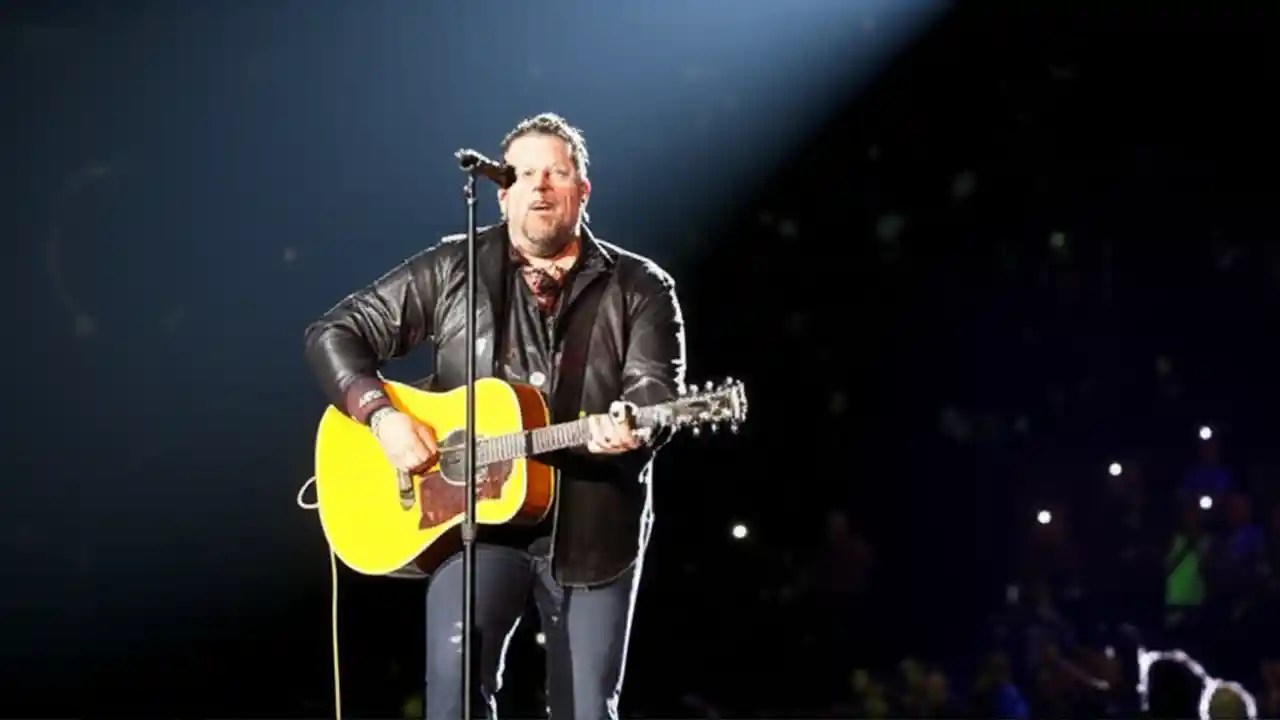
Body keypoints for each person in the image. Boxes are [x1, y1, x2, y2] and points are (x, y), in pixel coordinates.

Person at [303, 112, 687, 720]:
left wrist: (632, 426)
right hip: (473, 521)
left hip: (593, 527)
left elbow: (654, 389)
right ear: (501, 192)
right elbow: (335, 332)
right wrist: (381, 415)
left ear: (582, 190)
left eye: (556, 173)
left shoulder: (638, 286)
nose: (540, 186)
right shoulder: (454, 267)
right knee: (454, 698)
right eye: (525, 174)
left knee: (586, 709)